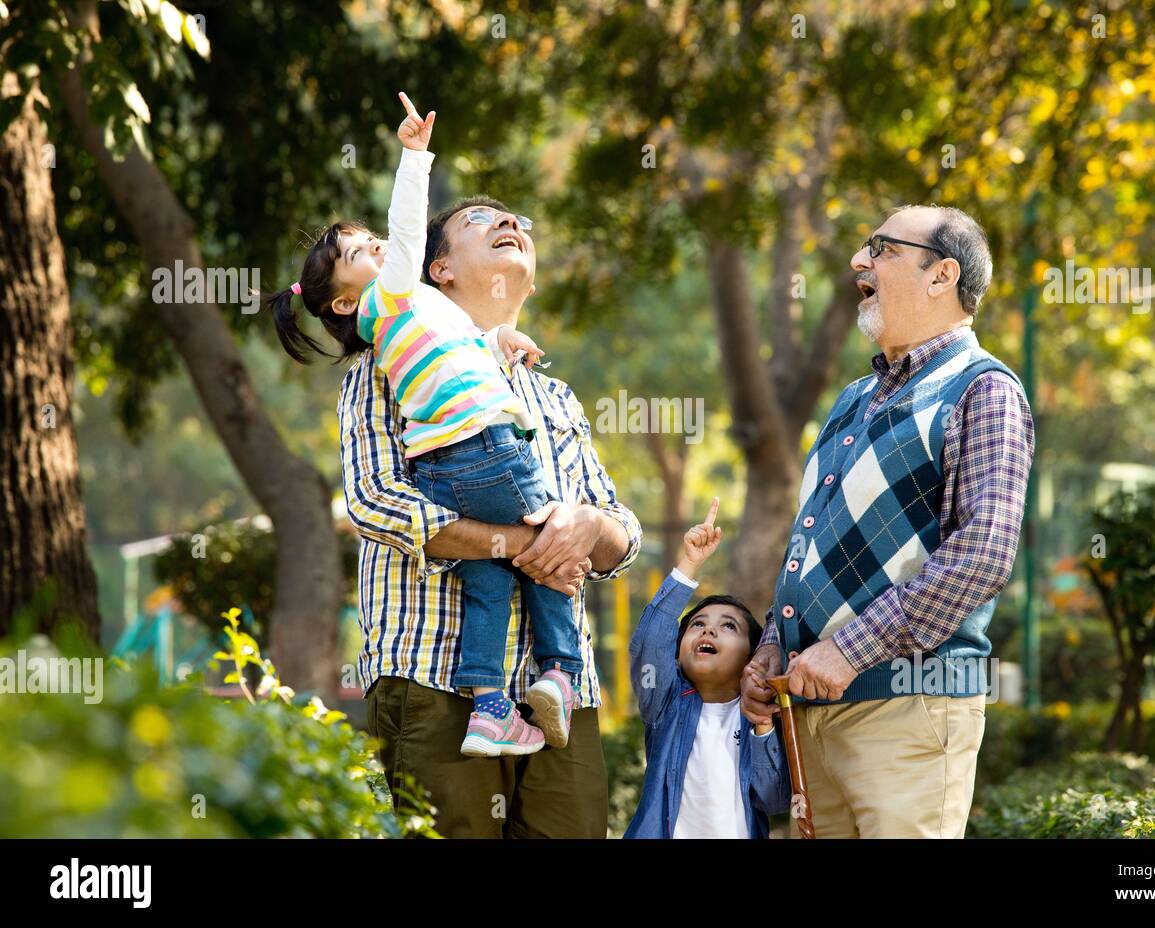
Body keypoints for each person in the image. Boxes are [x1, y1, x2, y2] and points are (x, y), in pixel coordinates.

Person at [293, 100, 639, 837]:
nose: (510, 223)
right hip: (434, 683)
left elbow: (622, 538)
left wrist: (585, 525)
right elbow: (378, 504)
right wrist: (520, 544)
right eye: (481, 220)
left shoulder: (555, 395)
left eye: (517, 221)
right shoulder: (385, 371)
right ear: (437, 269)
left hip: (561, 697)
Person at [265, 93, 583, 758]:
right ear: (349, 299)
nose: (377, 246)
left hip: (446, 469)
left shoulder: (408, 322)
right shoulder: (394, 292)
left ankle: (490, 707)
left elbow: (456, 356)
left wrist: (501, 346)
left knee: (491, 578)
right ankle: (561, 671)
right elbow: (409, 232)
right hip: (488, 447)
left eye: (368, 240)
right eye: (359, 251)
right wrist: (415, 157)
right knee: (551, 539)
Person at [741, 205, 1034, 838]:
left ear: (942, 274)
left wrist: (848, 650)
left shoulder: (984, 389)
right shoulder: (853, 400)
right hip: (812, 713)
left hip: (911, 708)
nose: (858, 262)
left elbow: (983, 551)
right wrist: (772, 647)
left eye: (883, 249)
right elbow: (810, 547)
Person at [625, 498, 790, 839]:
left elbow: (774, 800)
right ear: (678, 653)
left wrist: (761, 726)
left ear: (752, 656)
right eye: (697, 624)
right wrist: (688, 565)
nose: (708, 630)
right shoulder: (666, 704)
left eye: (729, 626)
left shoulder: (759, 715)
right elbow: (649, 642)